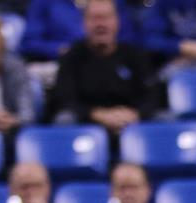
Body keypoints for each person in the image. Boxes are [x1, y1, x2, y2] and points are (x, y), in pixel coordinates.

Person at [51, 0, 159, 133]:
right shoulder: (71, 58)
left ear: (117, 22)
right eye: (94, 18)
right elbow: (65, 100)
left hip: (132, 122)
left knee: (164, 119)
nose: (100, 24)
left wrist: (136, 114)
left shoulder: (135, 55)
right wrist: (98, 115)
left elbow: (152, 96)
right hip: (88, 125)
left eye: (106, 18)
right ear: (83, 23)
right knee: (65, 119)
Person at [22, 0, 141, 60]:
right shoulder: (45, 2)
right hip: (60, 64)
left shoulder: (115, 3)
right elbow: (29, 42)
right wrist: (60, 49)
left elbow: (129, 38)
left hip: (109, 61)